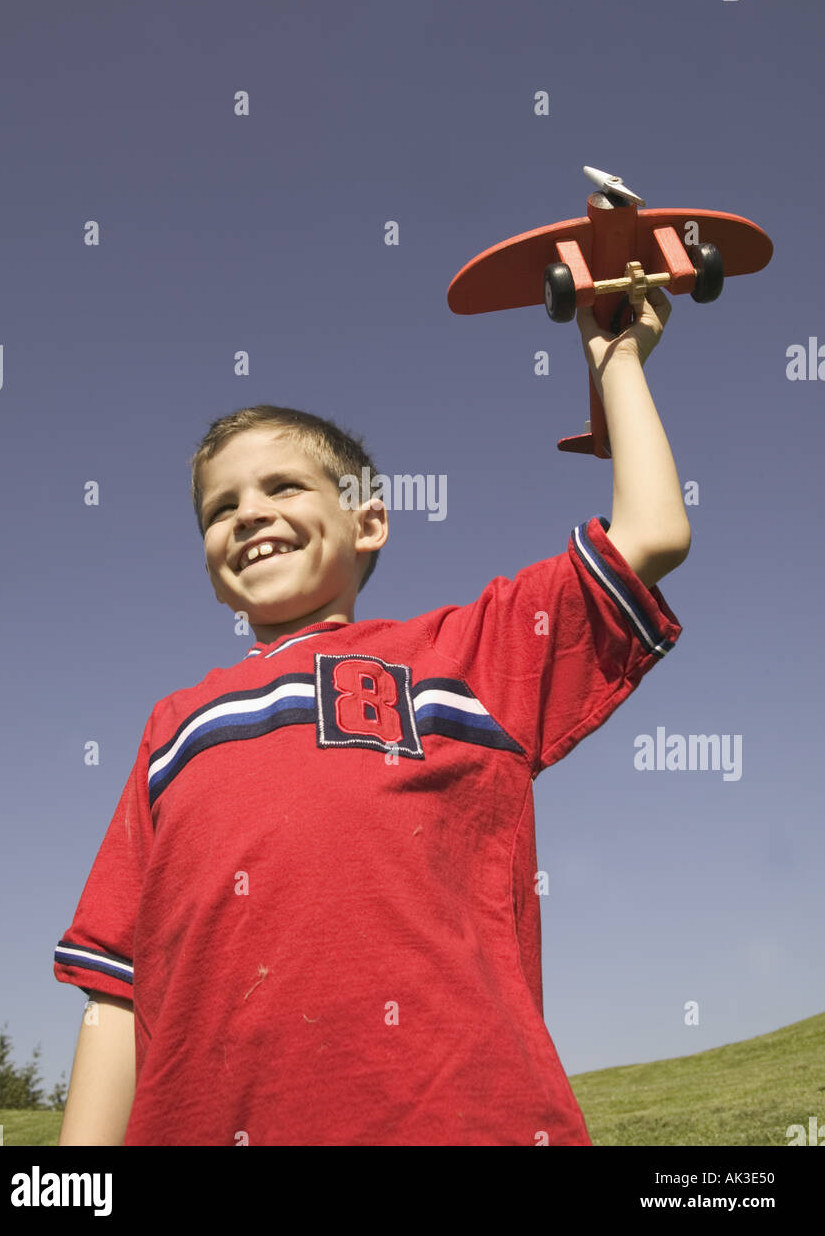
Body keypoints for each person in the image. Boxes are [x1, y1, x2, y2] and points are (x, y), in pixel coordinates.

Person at [54, 290, 690, 1145]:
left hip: (462, 1120)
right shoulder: (174, 726)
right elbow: (115, 978)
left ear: (370, 522)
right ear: (210, 572)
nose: (248, 513)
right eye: (219, 508)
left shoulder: (470, 655)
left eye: (284, 485)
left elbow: (650, 534)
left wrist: (616, 364)